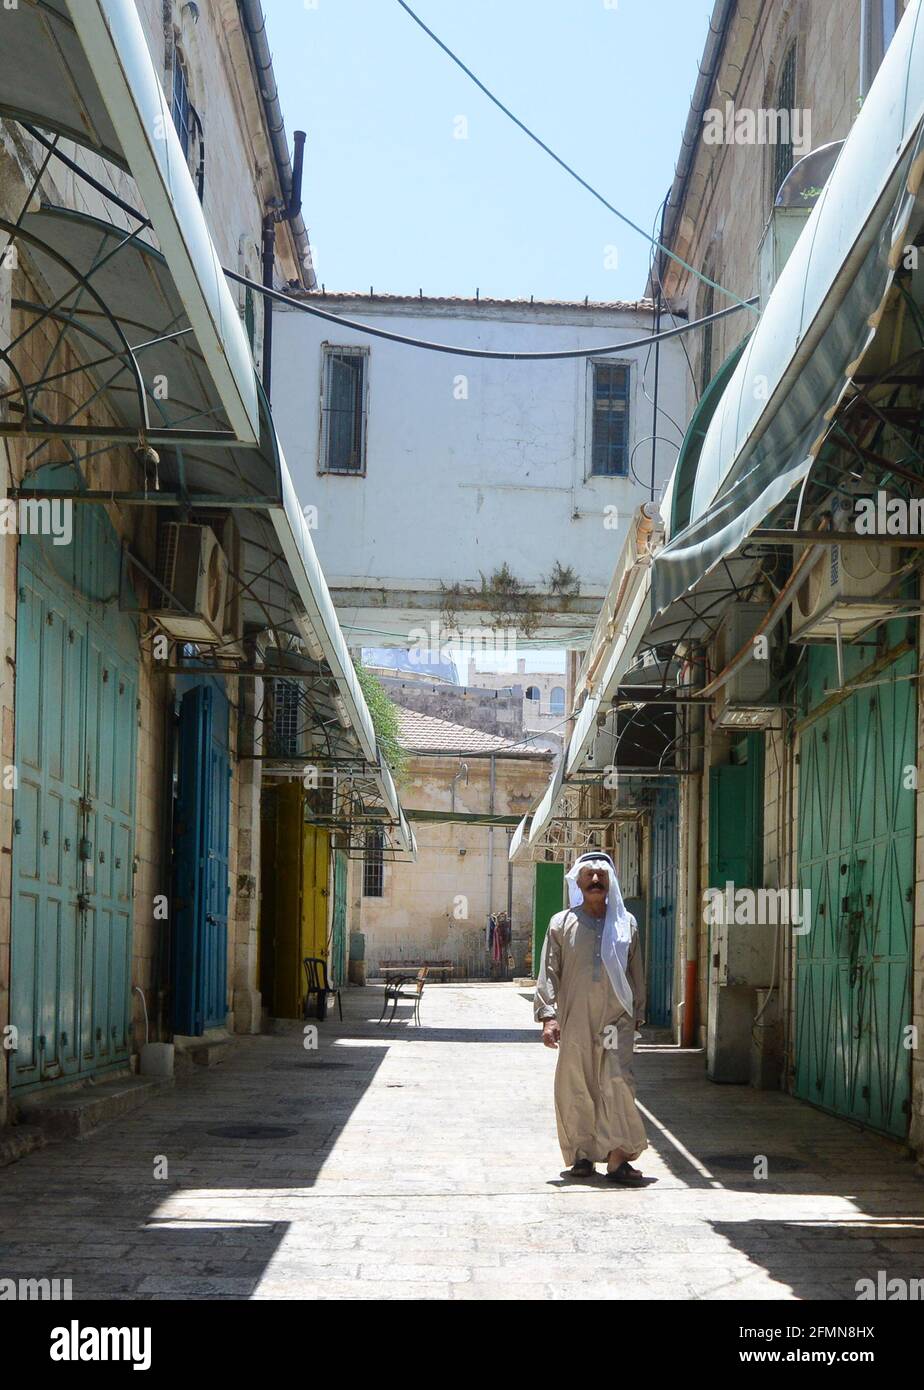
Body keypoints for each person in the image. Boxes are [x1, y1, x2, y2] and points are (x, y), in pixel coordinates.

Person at [534, 851, 648, 1183]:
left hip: (618, 1017)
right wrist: (548, 1016)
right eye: (589, 876)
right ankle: (582, 1156)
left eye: (601, 875)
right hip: (576, 1017)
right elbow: (549, 971)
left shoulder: (626, 924)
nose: (595, 881)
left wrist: (638, 1013)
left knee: (617, 1082)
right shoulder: (561, 923)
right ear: (578, 881)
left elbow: (636, 972)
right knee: (576, 1083)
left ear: (611, 881)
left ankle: (618, 1157)